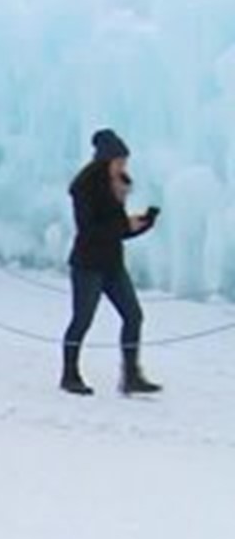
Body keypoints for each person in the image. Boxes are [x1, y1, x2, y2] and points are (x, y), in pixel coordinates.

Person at [61, 128, 161, 395]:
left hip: (111, 264)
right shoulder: (84, 187)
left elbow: (116, 230)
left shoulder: (114, 185)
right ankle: (69, 375)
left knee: (133, 315)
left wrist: (141, 224)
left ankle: (131, 375)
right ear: (106, 160)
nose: (123, 167)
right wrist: (123, 223)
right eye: (119, 161)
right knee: (82, 320)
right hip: (88, 265)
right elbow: (90, 230)